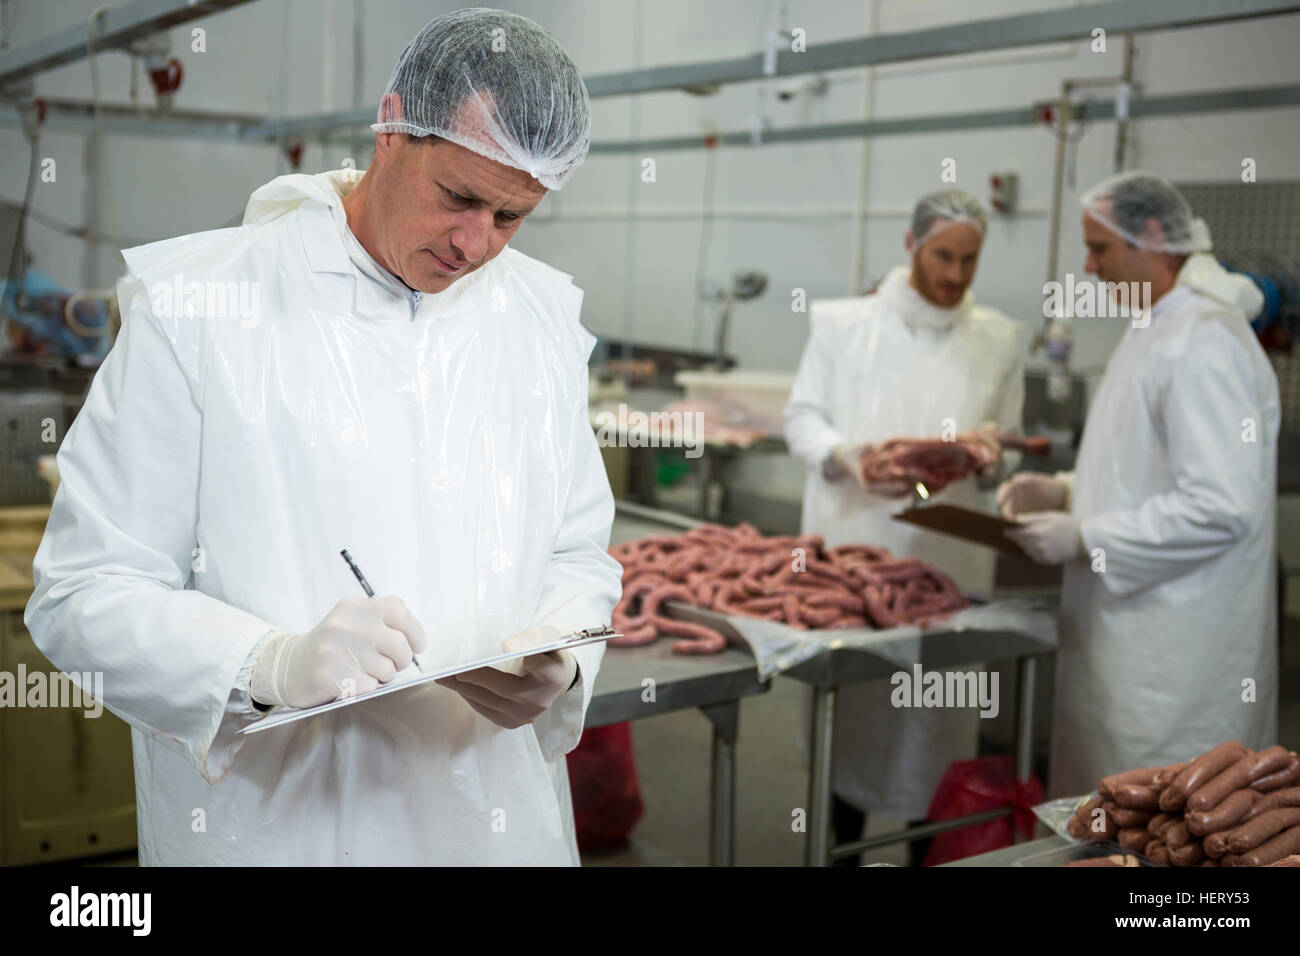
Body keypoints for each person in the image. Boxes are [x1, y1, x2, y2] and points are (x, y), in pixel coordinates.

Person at [25, 9, 621, 866]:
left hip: (493, 823)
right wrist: (264, 665)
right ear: (390, 128)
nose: (474, 243)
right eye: (457, 196)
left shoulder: (539, 321)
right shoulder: (202, 308)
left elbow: (578, 553)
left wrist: (558, 659)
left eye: (512, 215)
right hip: (279, 830)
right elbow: (82, 593)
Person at [1000, 170, 1279, 798]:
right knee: (1113, 823)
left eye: (1100, 248)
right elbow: (1142, 466)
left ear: (1152, 236)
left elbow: (1220, 507)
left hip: (1175, 659)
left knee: (1169, 835)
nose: (1089, 266)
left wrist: (1083, 536)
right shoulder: (1154, 327)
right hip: (1124, 641)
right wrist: (1066, 491)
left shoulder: (1204, 342)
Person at [784, 189, 1025, 865]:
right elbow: (802, 419)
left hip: (949, 563)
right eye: (943, 256)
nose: (954, 275)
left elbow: (1006, 433)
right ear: (911, 245)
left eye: (969, 260)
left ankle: (928, 853)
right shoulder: (842, 327)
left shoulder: (998, 339)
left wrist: (987, 450)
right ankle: (843, 853)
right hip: (856, 552)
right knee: (855, 714)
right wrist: (848, 458)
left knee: (936, 719)